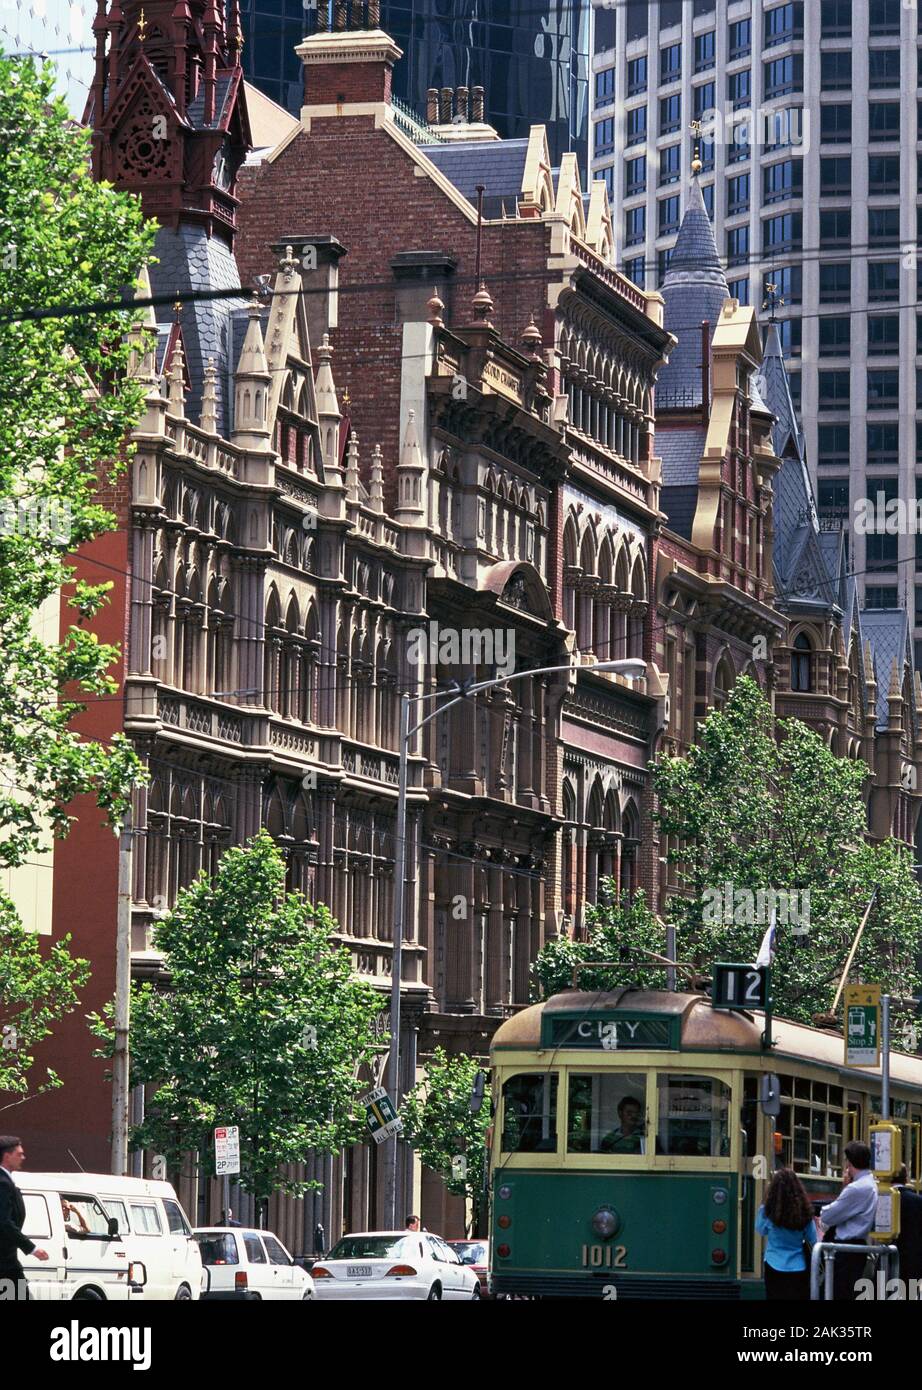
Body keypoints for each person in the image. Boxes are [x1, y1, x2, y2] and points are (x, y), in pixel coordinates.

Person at [819, 1140, 878, 1301]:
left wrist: (827, 1208)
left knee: (834, 1292)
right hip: (855, 1248)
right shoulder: (870, 1184)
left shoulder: (857, 1188)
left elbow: (828, 1215)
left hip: (846, 1251)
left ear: (850, 1163)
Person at [756, 1167, 817, 1300]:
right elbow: (813, 1239)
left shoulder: (768, 1212)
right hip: (798, 1265)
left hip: (773, 1263)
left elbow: (760, 1229)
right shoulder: (804, 1213)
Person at [0, 1136, 49, 1301]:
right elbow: (4, 1221)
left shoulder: (7, 1181)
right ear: (7, 1156)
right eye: (19, 1154)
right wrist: (32, 1248)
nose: (23, 1157)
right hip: (4, 1261)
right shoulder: (3, 1183)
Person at [893, 1165, 922, 1283]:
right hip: (913, 1259)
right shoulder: (918, 1201)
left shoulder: (883, 1197)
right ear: (906, 1180)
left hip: (888, 1256)